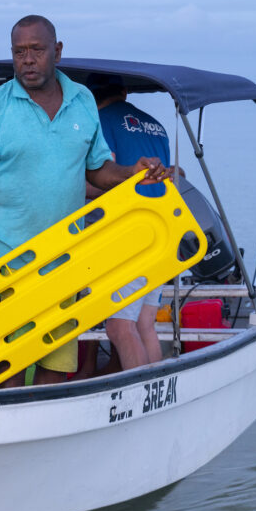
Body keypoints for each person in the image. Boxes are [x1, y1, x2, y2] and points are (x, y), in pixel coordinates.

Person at [0, 15, 170, 386]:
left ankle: (40, 434)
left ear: (58, 51)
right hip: (8, 256)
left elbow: (97, 169)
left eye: (36, 50)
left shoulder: (83, 101)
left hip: (66, 257)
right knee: (10, 364)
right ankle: (11, 436)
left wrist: (132, 172)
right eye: (19, 52)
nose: (28, 60)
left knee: (58, 364)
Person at [80, 78, 174, 373]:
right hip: (160, 230)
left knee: (120, 327)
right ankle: (154, 392)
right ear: (124, 92)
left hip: (125, 234)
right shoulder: (155, 126)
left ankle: (139, 394)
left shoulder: (100, 121)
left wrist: (68, 187)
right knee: (145, 323)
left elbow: (107, 182)